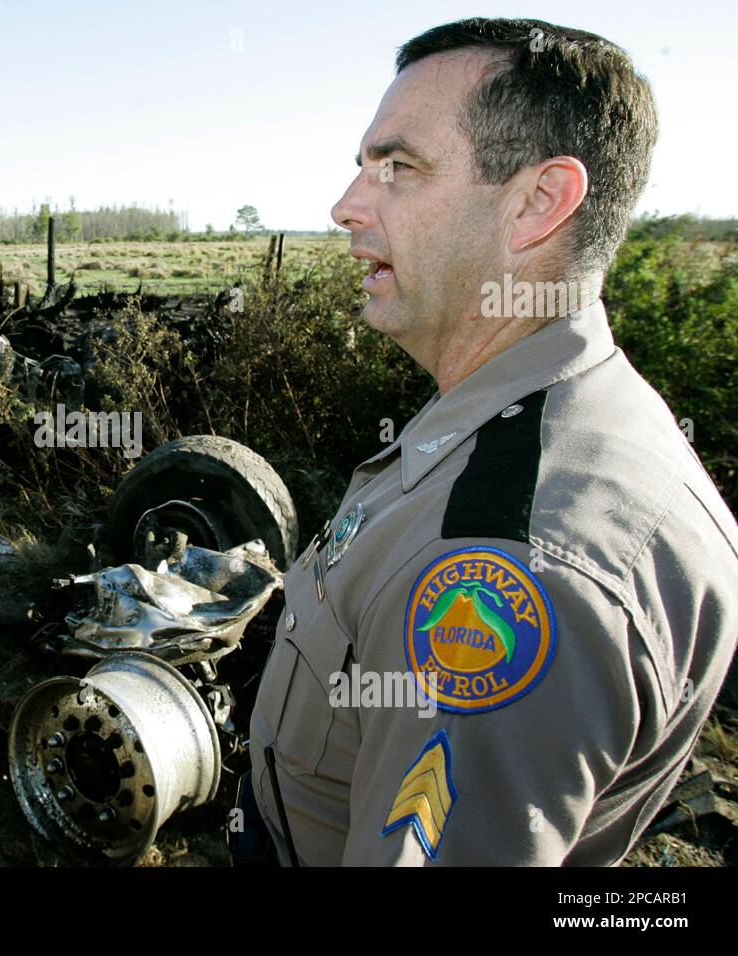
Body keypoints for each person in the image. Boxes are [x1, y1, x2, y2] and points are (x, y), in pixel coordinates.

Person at [240, 17, 738, 866]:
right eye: (364, 166)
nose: (346, 206)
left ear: (537, 203)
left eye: (398, 168)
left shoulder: (511, 564)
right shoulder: (518, 420)